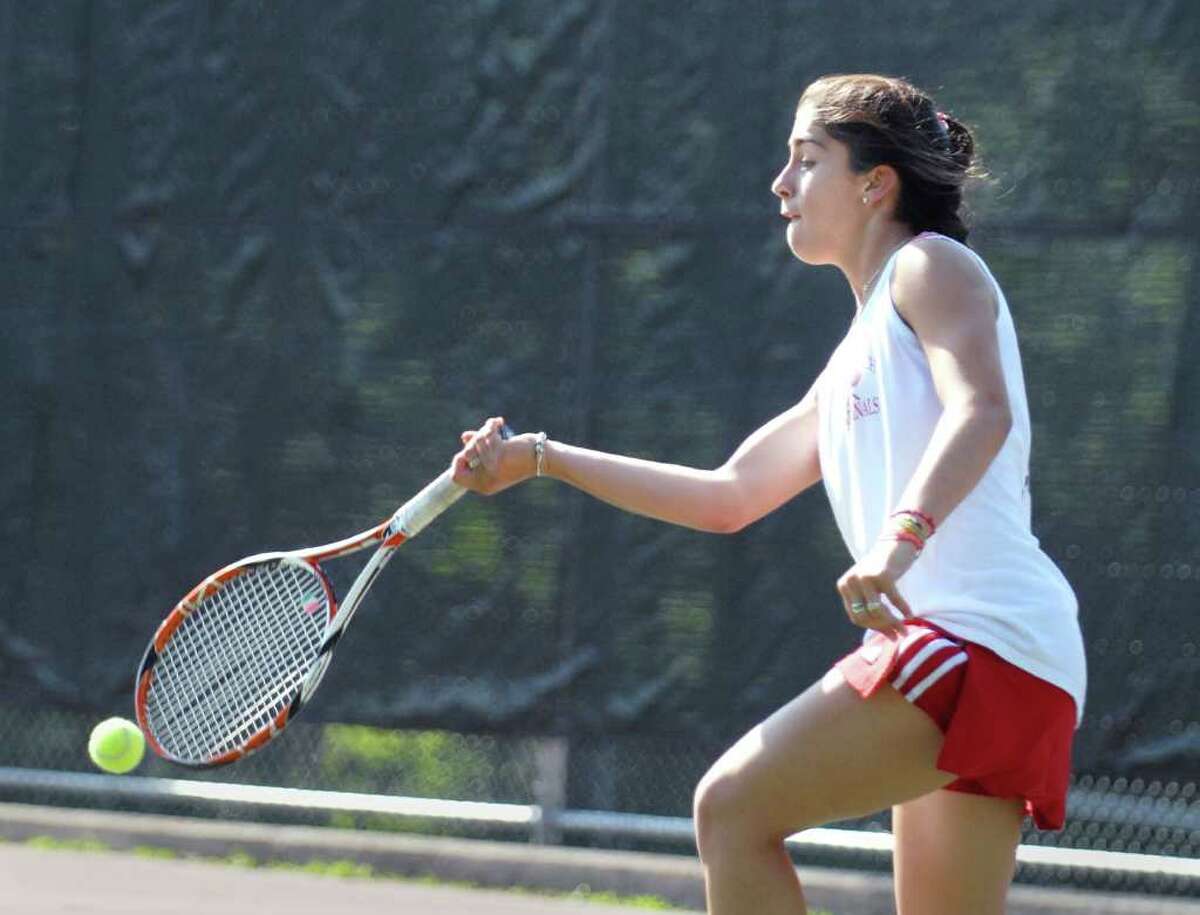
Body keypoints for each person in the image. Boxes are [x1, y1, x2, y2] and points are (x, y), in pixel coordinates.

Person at [449, 73, 1087, 915]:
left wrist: (898, 541)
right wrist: (541, 456)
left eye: (805, 160)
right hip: (1005, 653)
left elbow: (982, 409)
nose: (781, 183)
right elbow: (730, 495)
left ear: (874, 183)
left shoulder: (932, 266)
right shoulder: (853, 354)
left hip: (981, 637)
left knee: (731, 805)